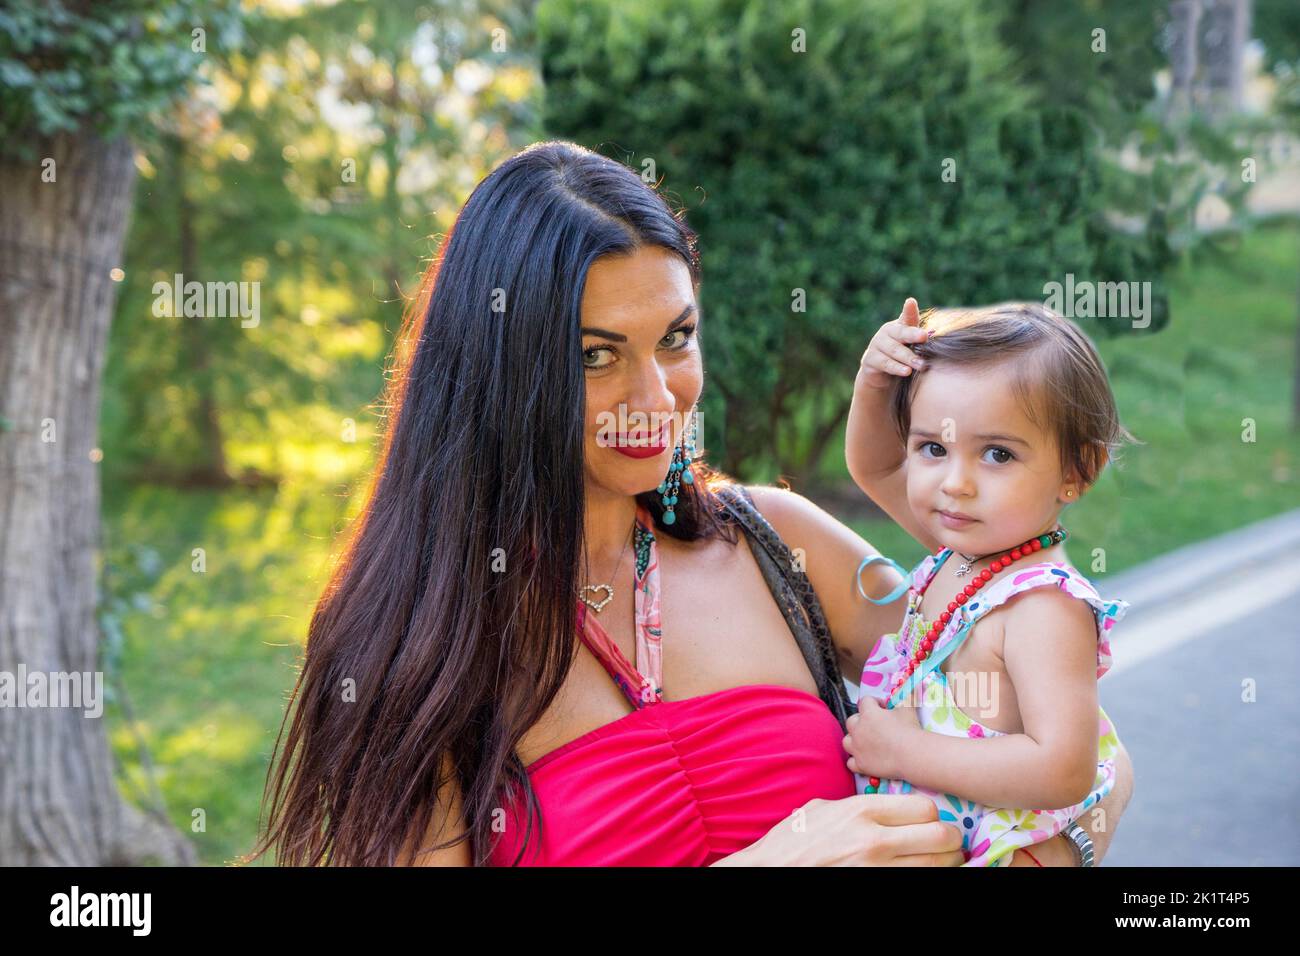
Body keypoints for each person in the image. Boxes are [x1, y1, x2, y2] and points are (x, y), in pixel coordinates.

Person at [243, 141, 1133, 867]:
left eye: (674, 339)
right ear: (496, 370)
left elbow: (1085, 756)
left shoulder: (776, 543)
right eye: (596, 356)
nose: (657, 397)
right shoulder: (417, 641)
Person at [844, 298, 1137, 866]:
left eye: (997, 454)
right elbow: (877, 467)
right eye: (933, 447)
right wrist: (873, 383)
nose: (955, 483)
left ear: (1077, 471)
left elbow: (1062, 770)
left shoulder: (1042, 605)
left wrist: (905, 752)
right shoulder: (968, 551)